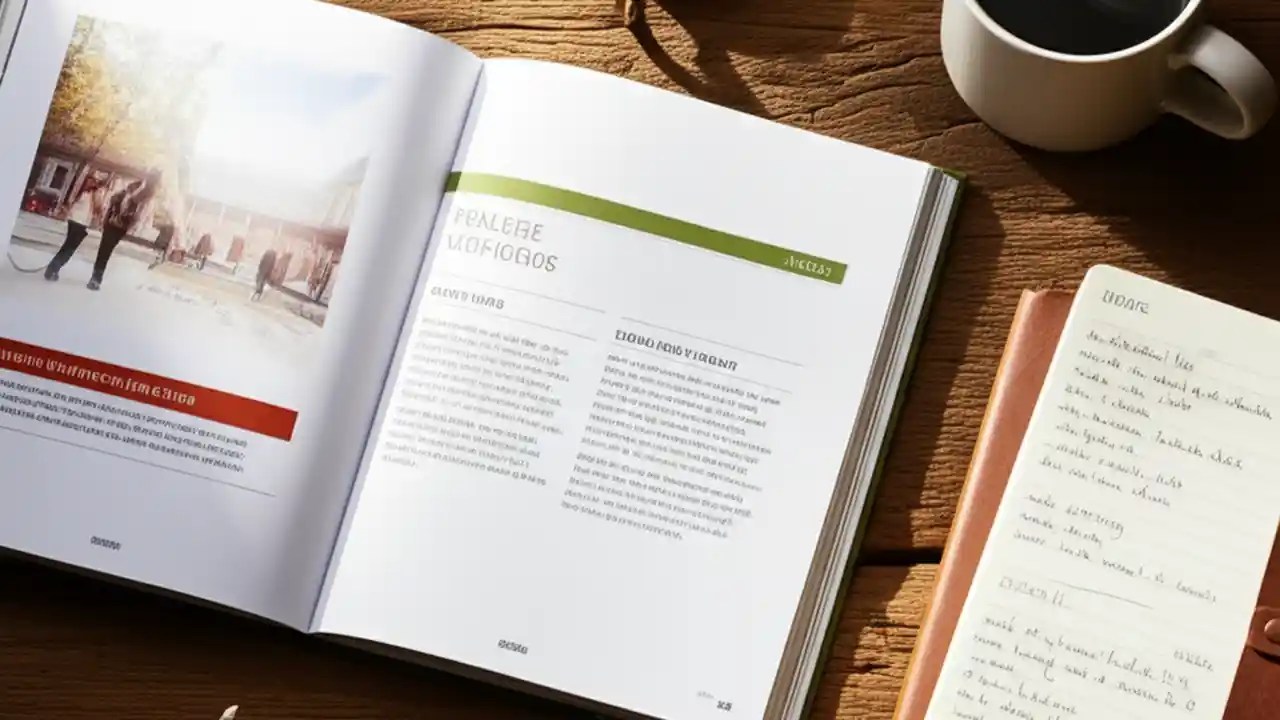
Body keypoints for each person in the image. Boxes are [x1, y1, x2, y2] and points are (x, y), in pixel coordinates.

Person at [89, 177, 153, 291]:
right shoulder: (121, 197)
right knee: (104, 251)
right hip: (113, 226)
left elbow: (137, 217)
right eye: (132, 188)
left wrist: (130, 225)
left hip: (118, 228)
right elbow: (110, 208)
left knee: (105, 251)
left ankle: (96, 278)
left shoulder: (135, 202)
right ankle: (96, 278)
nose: (132, 190)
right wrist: (104, 221)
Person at [44, 176, 106, 282]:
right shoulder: (95, 193)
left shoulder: (81, 191)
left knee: (66, 246)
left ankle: (52, 269)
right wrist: (100, 219)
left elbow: (71, 203)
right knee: (69, 249)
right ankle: (53, 269)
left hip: (72, 220)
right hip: (80, 224)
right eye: (93, 181)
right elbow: (98, 208)